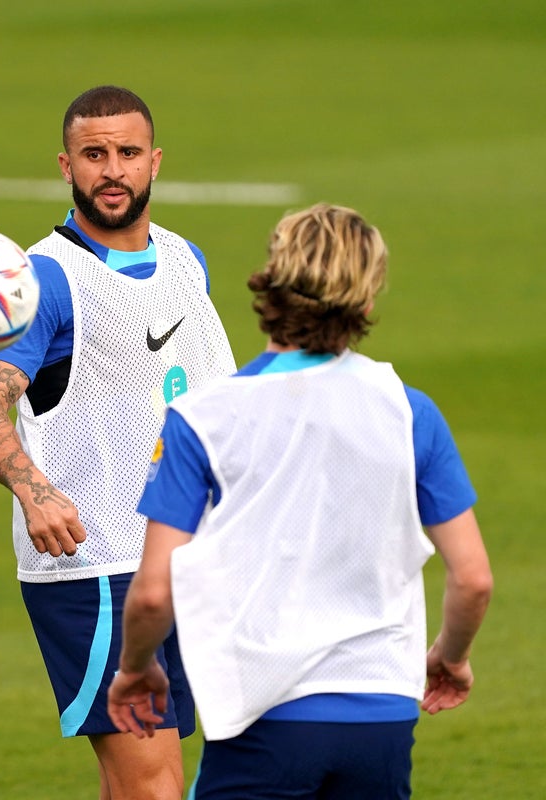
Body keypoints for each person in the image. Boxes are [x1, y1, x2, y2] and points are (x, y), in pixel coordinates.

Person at [108, 203, 494, 799]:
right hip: (383, 721)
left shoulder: (202, 418)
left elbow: (155, 590)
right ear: (365, 303)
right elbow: (472, 579)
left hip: (265, 718)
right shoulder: (408, 410)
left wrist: (136, 668)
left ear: (272, 283)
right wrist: (450, 655)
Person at [0, 85, 236, 799]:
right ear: (65, 165)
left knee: (142, 782)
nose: (112, 170)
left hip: (187, 559)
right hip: (99, 569)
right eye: (94, 155)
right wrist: (35, 489)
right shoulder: (43, 280)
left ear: (155, 161)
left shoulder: (186, 260)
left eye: (127, 153)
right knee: (154, 785)